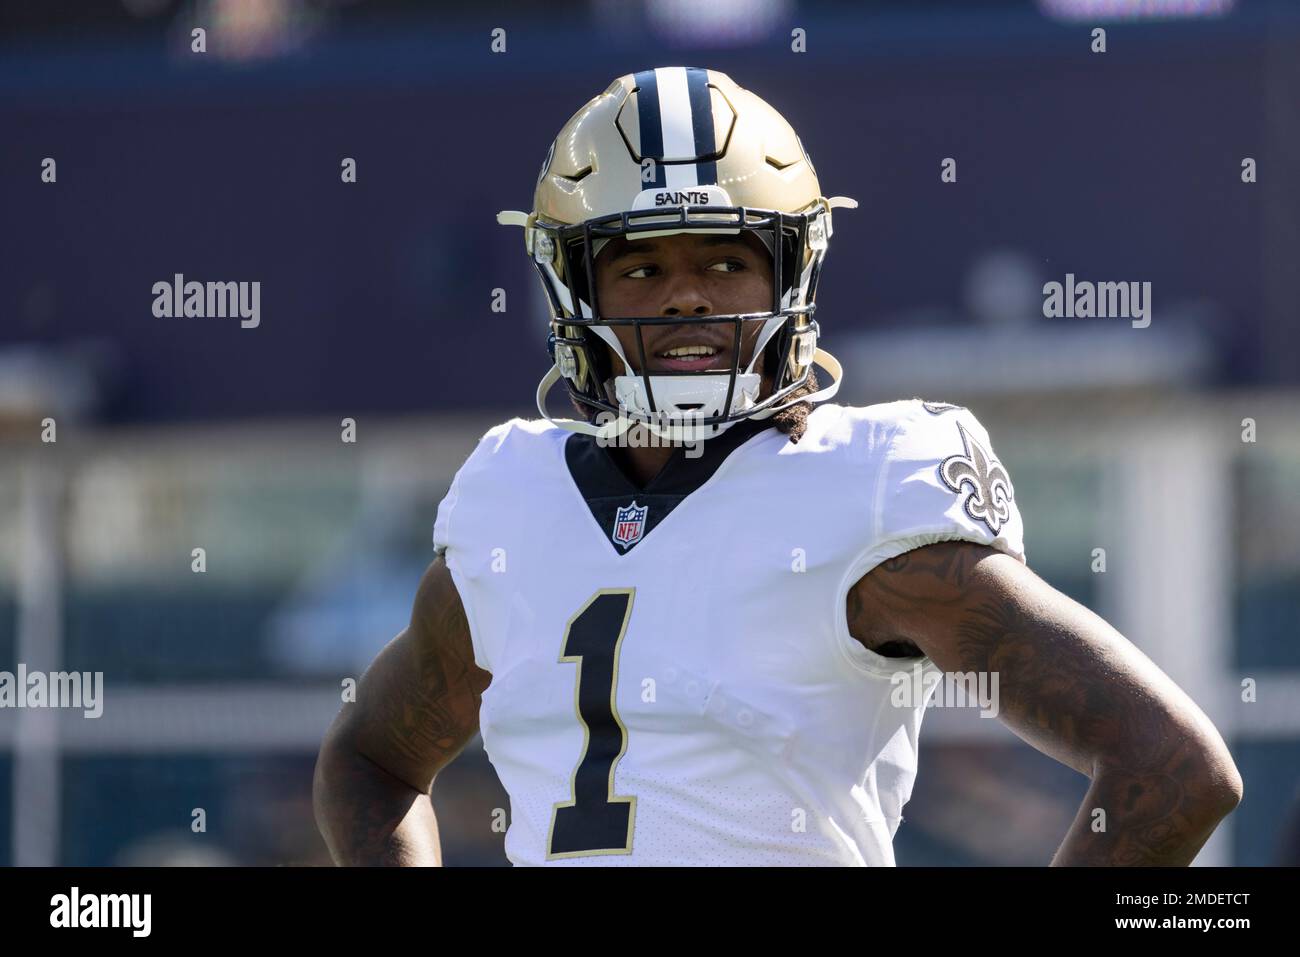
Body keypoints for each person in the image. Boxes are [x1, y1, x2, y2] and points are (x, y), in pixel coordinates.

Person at [313, 67, 1241, 866]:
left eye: (726, 262)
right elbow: (371, 762)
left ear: (792, 275)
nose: (685, 296)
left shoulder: (868, 489)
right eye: (638, 269)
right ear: (571, 288)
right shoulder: (512, 497)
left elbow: (1171, 766)